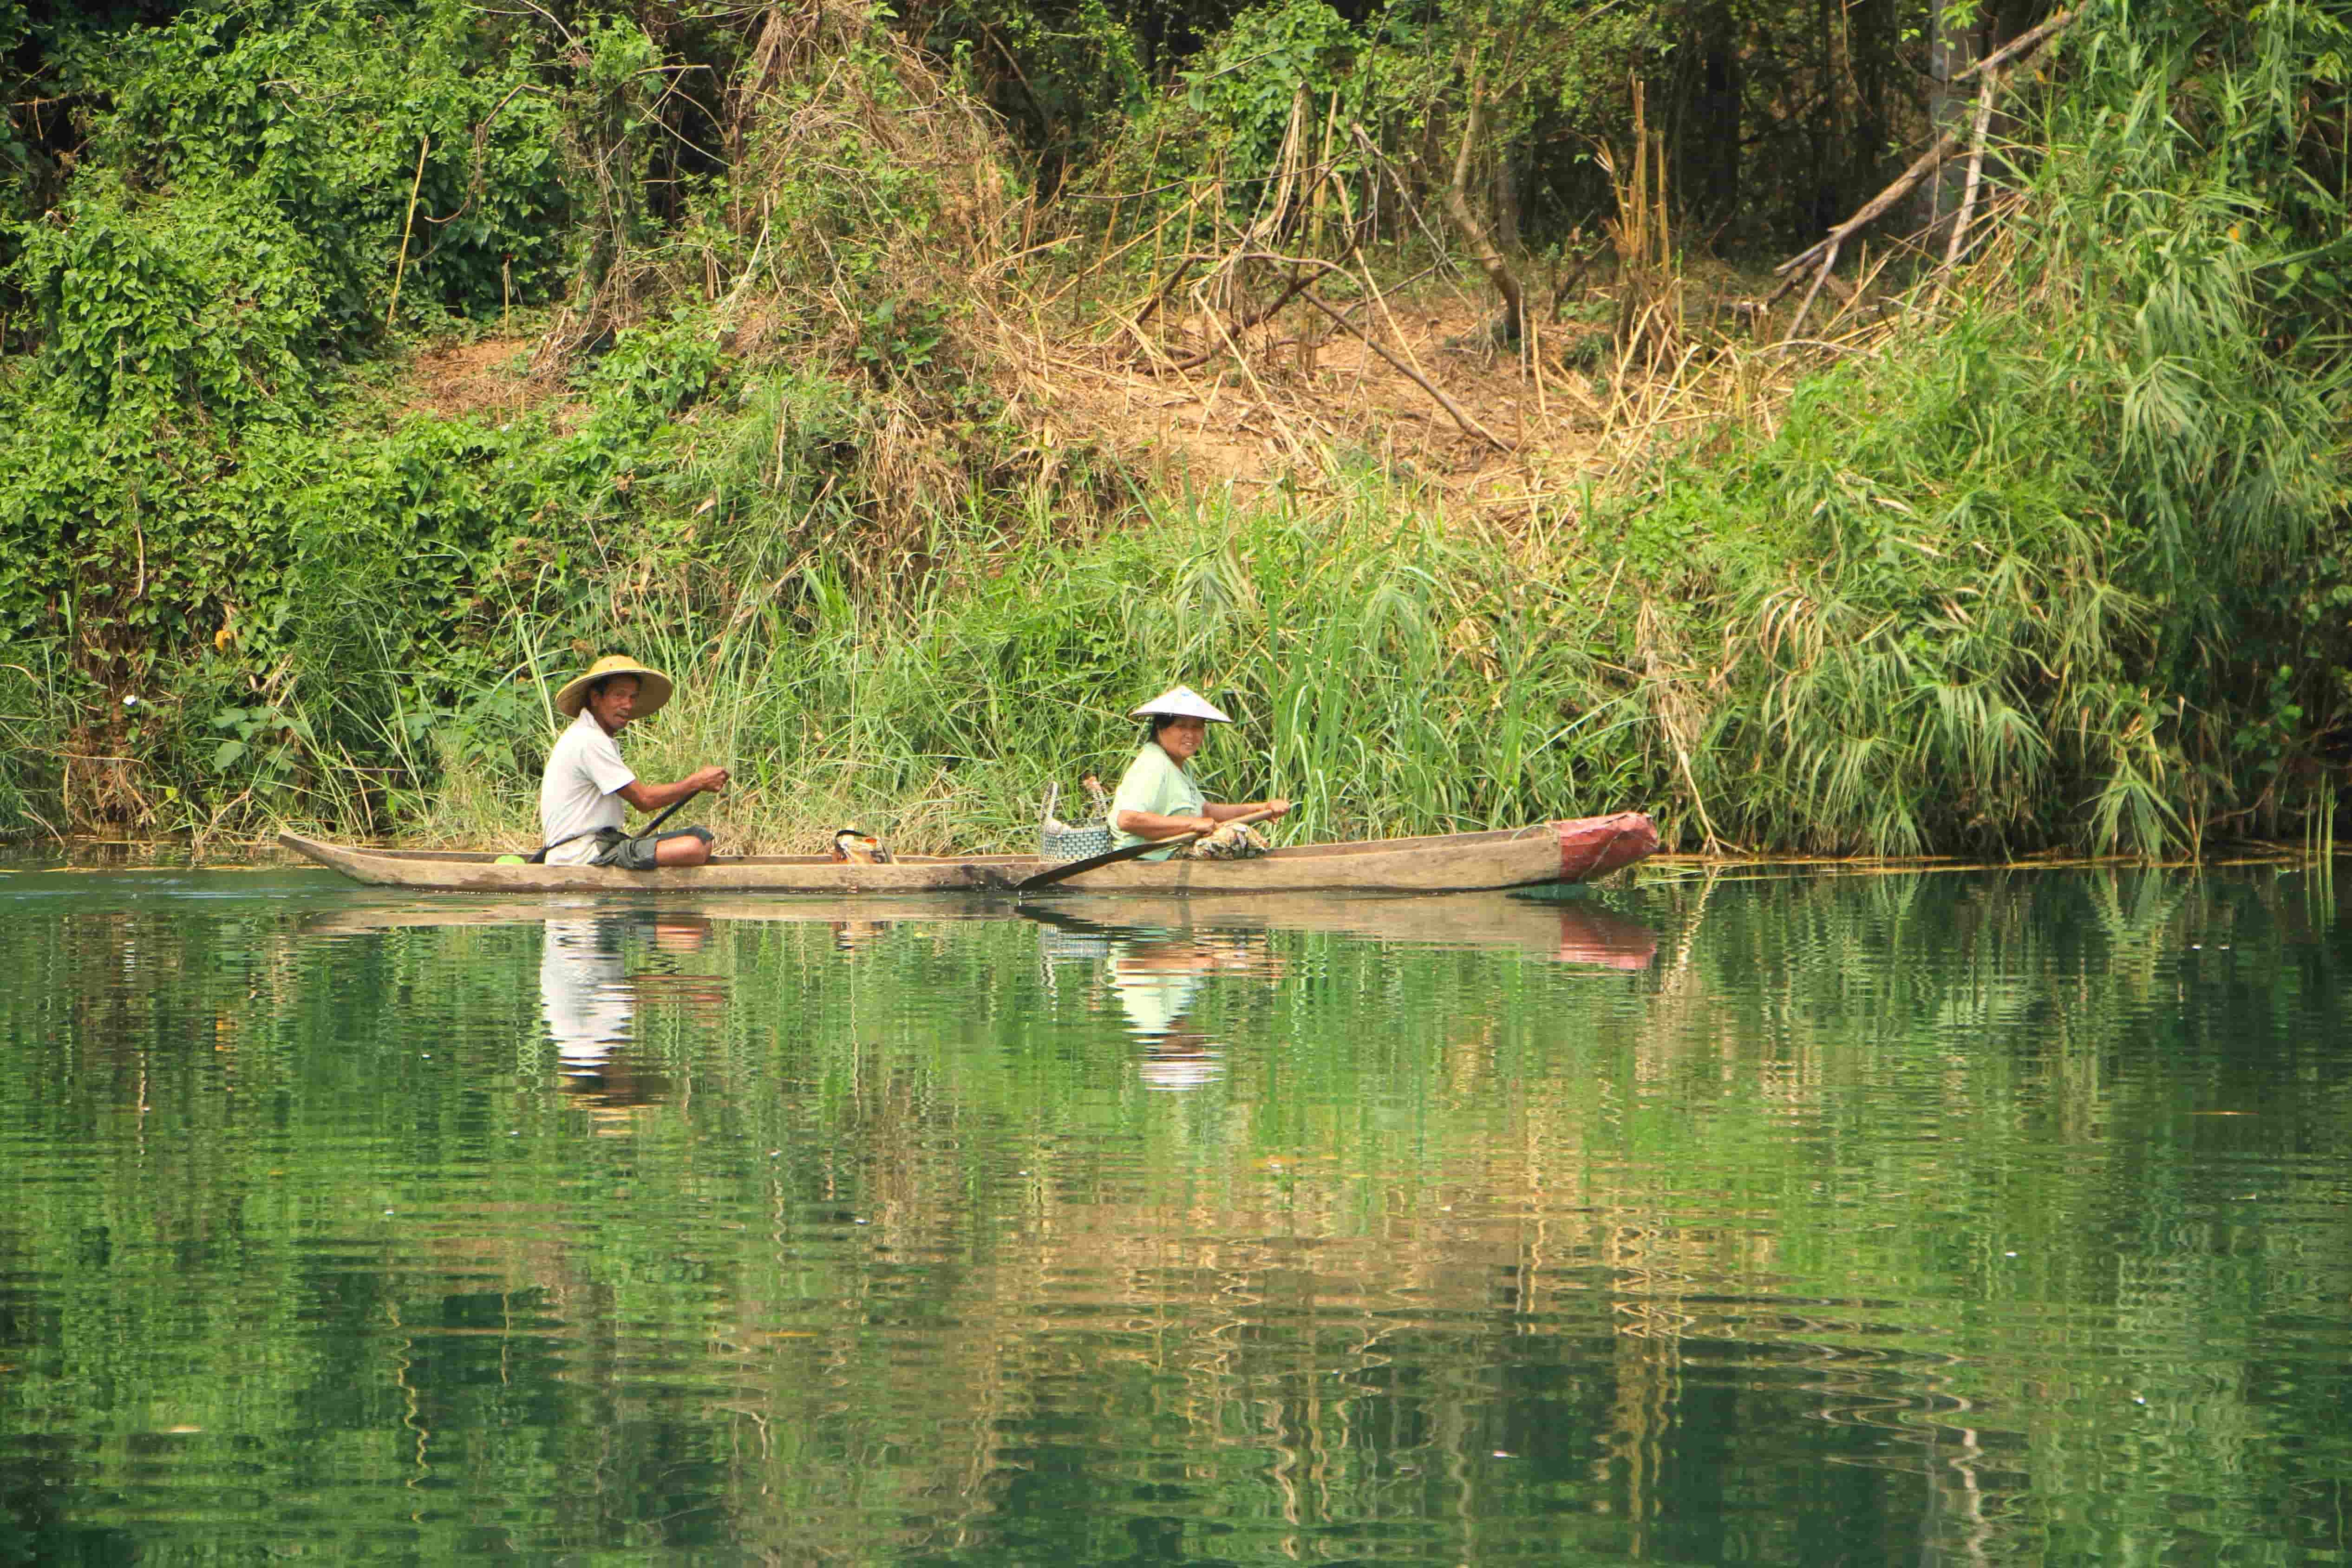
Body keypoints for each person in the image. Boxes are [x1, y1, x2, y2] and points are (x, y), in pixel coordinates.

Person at [539, 654, 730, 868]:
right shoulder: (588, 739)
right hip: (580, 855)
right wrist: (696, 782)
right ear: (596, 698)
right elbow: (644, 800)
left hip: (600, 845)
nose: (628, 705)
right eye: (619, 695)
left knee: (701, 839)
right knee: (694, 847)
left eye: (632, 697)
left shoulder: (593, 736)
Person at [1108, 685, 1290, 861]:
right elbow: (1128, 820)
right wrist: (1192, 824)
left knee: (1239, 835)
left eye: (1197, 727)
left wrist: (1264, 808)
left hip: (1171, 849)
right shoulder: (1153, 763)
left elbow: (1206, 811)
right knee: (1235, 836)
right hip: (1147, 855)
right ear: (1160, 729)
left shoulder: (1179, 765)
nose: (1190, 734)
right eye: (1181, 727)